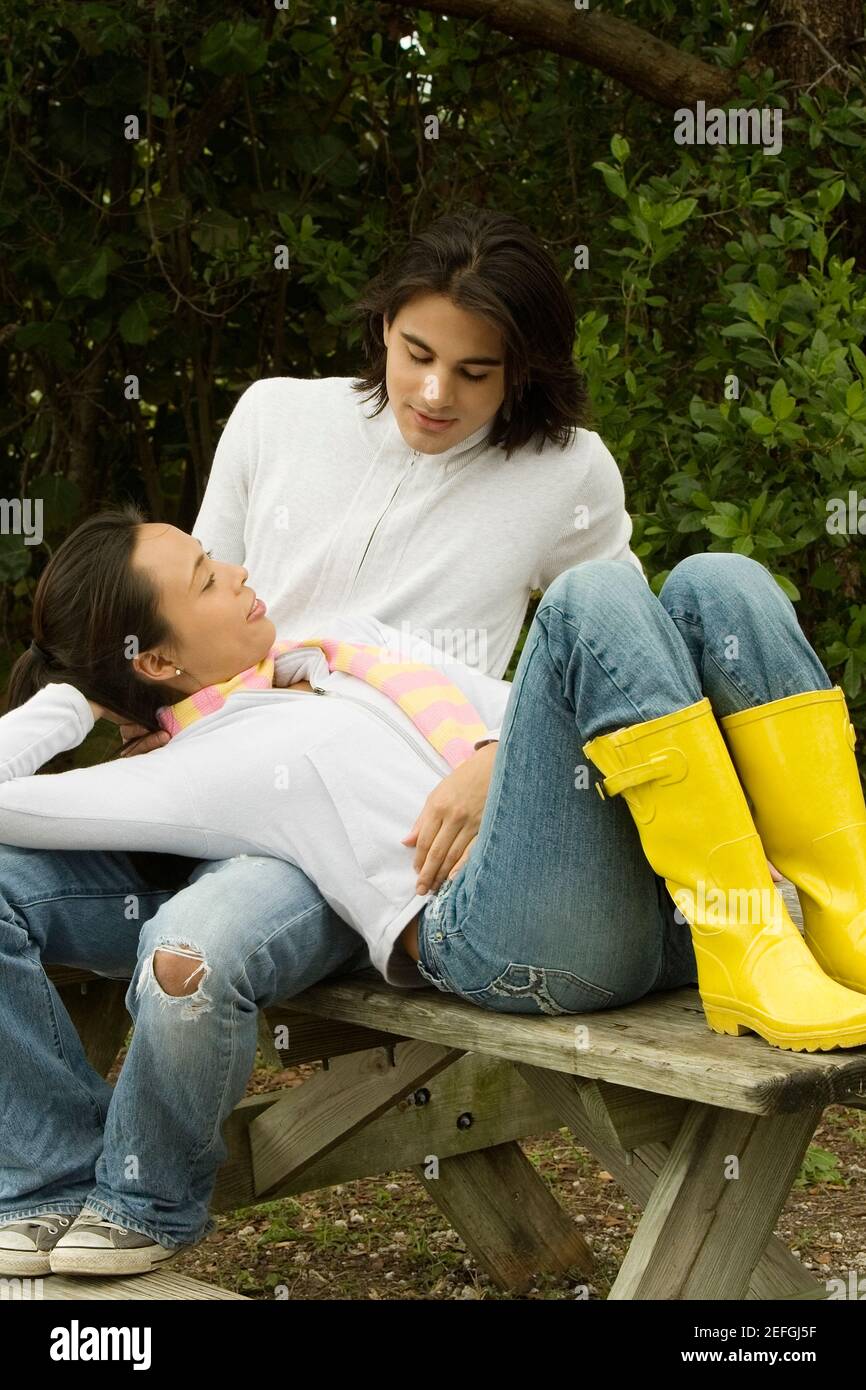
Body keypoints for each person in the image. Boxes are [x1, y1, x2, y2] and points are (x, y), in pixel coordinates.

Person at [0, 208, 646, 1276]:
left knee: (191, 954)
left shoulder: (565, 471)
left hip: (357, 835)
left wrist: (502, 761)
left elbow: (609, 652)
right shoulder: (275, 417)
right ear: (381, 325)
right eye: (417, 354)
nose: (435, 394)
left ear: (523, 371)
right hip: (199, 780)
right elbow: (188, 602)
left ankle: (140, 1208)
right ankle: (41, 1181)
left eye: (476, 372)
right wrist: (88, 706)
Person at [2, 515, 866, 1288]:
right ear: (155, 661)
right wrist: (67, 706)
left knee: (721, 579)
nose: (233, 571)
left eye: (213, 557)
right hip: (500, 934)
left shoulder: (345, 650)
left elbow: (518, 712)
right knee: (589, 596)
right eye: (203, 580)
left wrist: (493, 764)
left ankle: (837, 921)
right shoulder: (194, 765)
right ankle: (749, 941)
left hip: (647, 903)